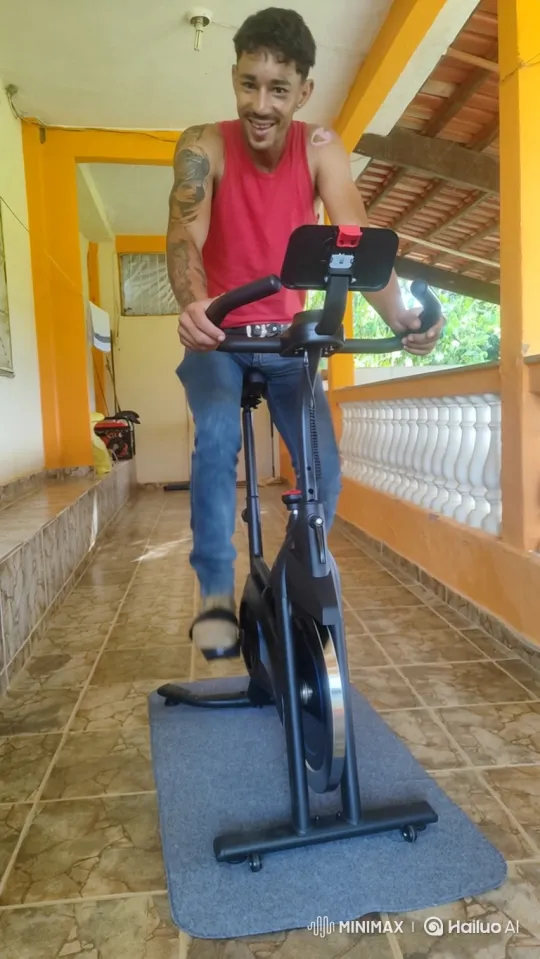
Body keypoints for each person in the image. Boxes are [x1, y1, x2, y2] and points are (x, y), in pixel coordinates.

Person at [167, 7, 444, 660]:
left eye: (278, 88)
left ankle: (294, 575)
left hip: (287, 339)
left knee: (324, 465)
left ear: (305, 90)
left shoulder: (321, 148)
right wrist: (193, 302)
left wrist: (402, 316)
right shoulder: (202, 144)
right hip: (221, 336)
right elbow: (184, 234)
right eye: (248, 84)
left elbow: (356, 239)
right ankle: (213, 590)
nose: (260, 104)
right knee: (214, 438)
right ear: (235, 77)